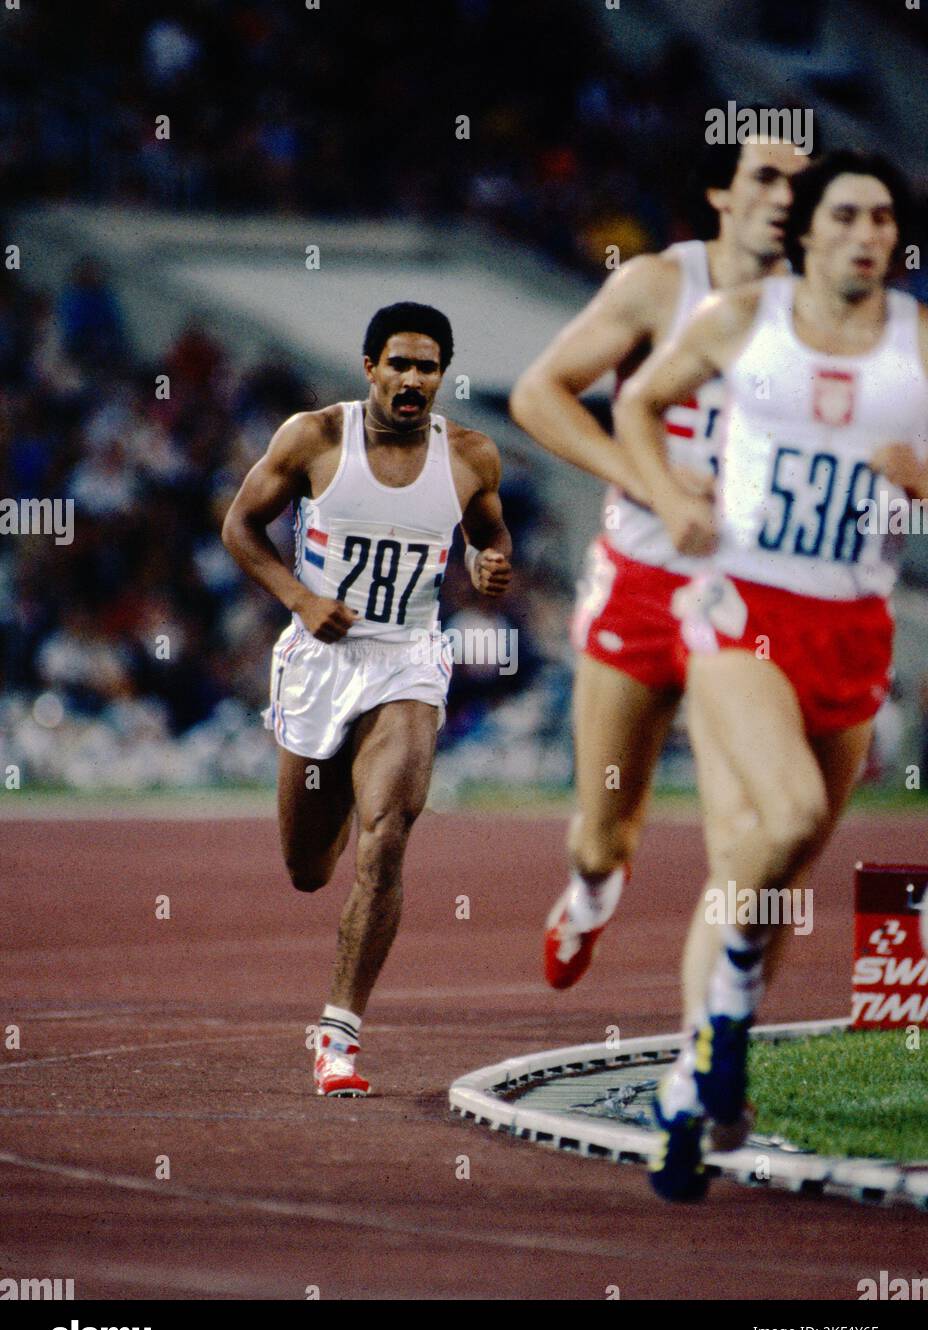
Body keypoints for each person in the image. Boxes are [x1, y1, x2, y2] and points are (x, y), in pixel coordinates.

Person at [617, 150, 928, 1199]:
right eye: (846, 213)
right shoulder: (740, 318)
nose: (867, 233)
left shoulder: (917, 344)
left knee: (767, 869)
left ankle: (688, 1078)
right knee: (784, 813)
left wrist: (920, 482)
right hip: (741, 611)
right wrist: (666, 492)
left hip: (852, 630)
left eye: (883, 217)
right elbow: (635, 405)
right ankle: (729, 1027)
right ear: (808, 230)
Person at [510, 133, 808, 997]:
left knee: (746, 828)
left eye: (800, 183)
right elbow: (538, 391)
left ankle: (715, 1050)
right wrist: (645, 480)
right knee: (605, 833)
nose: (785, 196)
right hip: (642, 581)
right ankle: (592, 894)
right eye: (765, 177)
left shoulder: (815, 309)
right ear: (723, 193)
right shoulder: (659, 285)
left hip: (751, 592)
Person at [222, 302, 512, 1096]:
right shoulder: (314, 437)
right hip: (319, 663)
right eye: (401, 364)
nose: (414, 380)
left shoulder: (472, 456)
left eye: (429, 367)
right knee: (308, 869)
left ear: (442, 376)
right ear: (370, 368)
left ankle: (340, 1034)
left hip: (409, 661)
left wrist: (491, 566)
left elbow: (492, 536)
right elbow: (240, 527)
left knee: (388, 835)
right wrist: (299, 598)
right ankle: (345, 778)